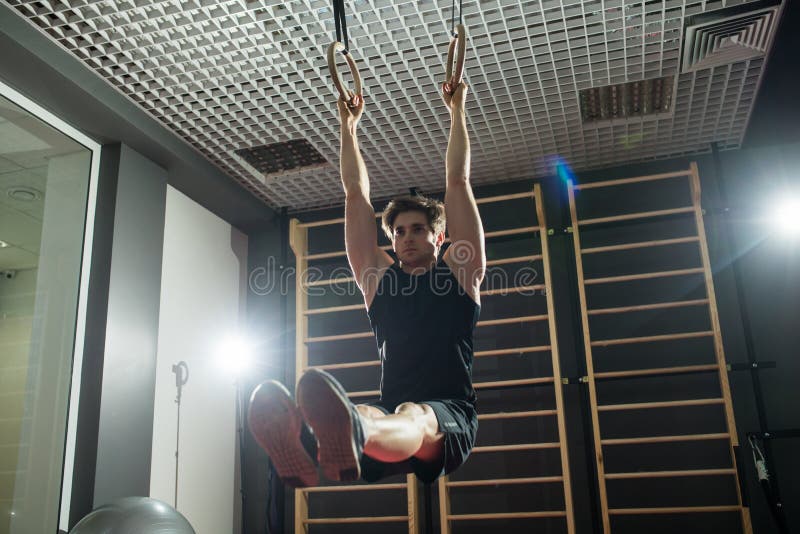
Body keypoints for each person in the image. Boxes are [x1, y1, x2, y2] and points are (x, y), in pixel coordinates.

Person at [248, 79, 486, 487]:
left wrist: (457, 110)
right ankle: (316, 443)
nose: (405, 237)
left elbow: (458, 182)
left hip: (449, 414)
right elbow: (355, 193)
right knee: (370, 412)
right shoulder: (378, 280)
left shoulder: (461, 272)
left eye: (417, 229)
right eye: (398, 232)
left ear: (439, 237)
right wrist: (348, 125)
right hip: (390, 418)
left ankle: (344, 437)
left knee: (415, 413)